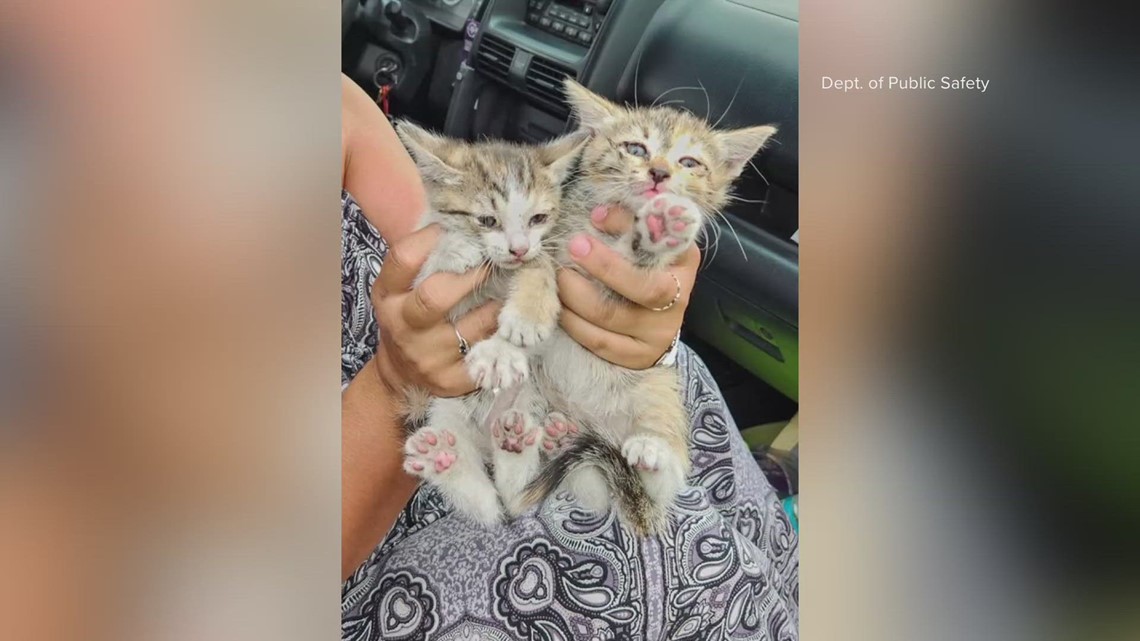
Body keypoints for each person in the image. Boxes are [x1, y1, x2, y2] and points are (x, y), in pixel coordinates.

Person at [340, 75, 798, 640]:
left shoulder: (335, 101)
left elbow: (454, 216)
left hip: (509, 362)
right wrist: (395, 379)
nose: (658, 170)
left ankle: (779, 545)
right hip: (363, 496)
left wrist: (638, 311)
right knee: (659, 561)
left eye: (684, 162)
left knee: (687, 379)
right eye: (638, 150)